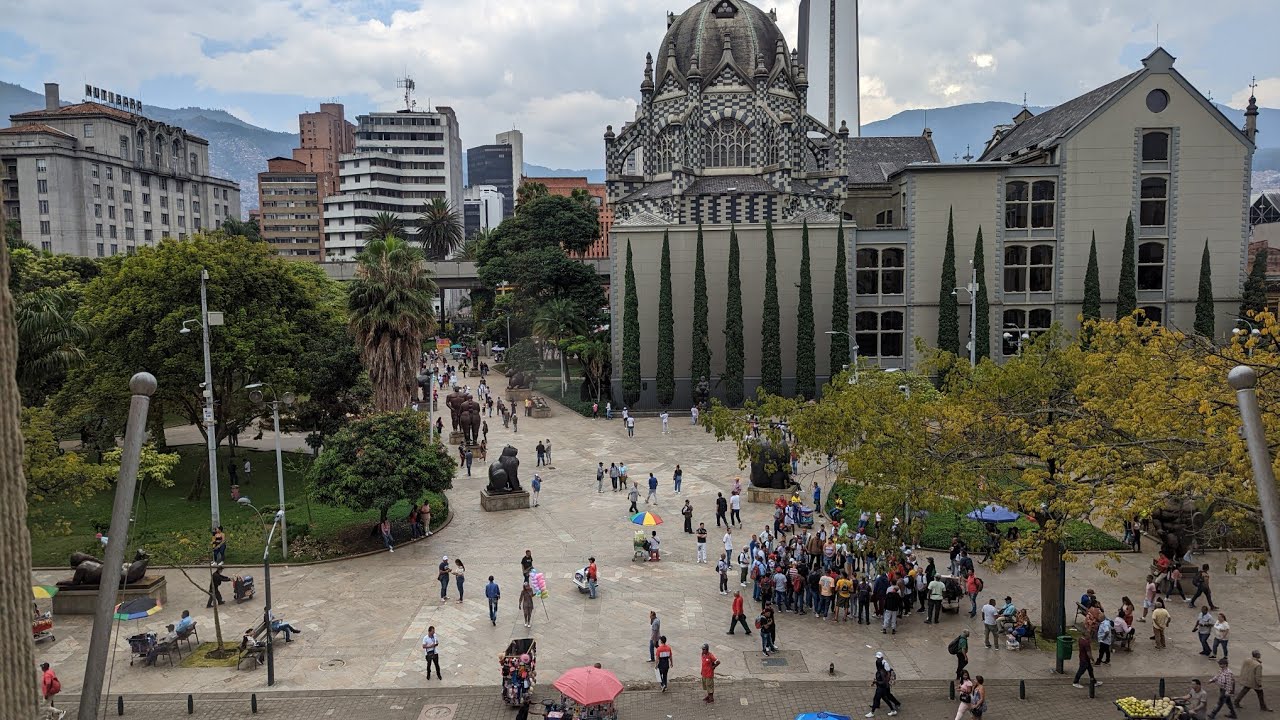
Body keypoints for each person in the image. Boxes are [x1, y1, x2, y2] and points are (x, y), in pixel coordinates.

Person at [867, 651, 901, 717]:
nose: (878, 659)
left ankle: (896, 704)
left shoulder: (885, 664)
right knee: (883, 697)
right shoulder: (879, 664)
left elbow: (888, 675)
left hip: (884, 683)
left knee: (886, 695)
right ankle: (890, 709)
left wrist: (885, 683)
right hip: (882, 683)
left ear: (882, 657)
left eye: (879, 658)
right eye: (877, 658)